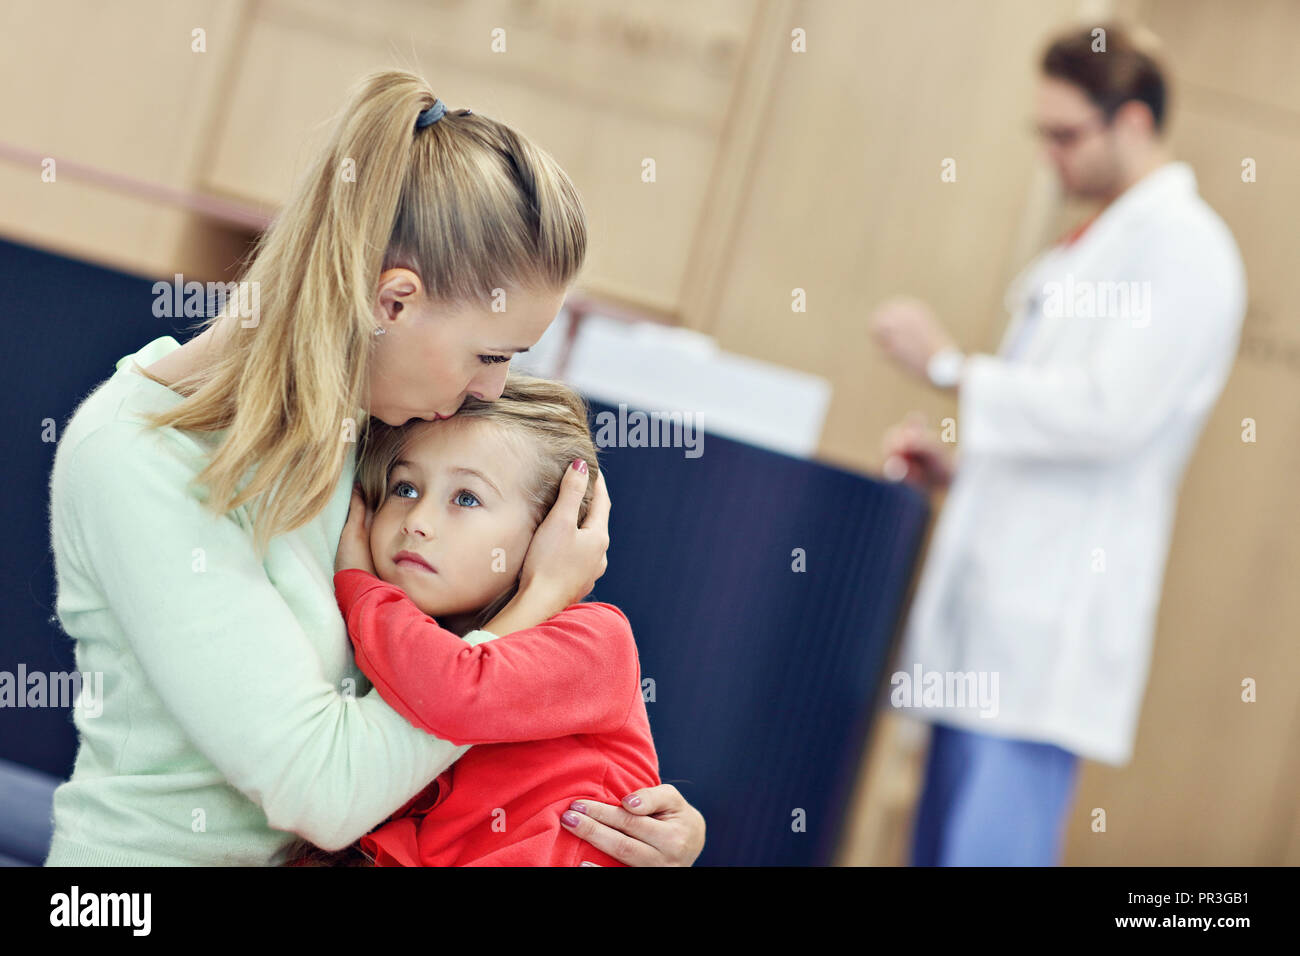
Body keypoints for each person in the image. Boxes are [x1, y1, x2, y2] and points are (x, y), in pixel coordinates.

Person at [45, 69, 704, 866]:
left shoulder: (375, 430)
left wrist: (630, 808)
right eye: (489, 354)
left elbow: (459, 714)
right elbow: (324, 788)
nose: (488, 391)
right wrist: (537, 601)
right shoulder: (134, 456)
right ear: (391, 303)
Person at [870, 24, 1245, 865]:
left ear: (1135, 122)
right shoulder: (1100, 243)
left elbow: (1111, 414)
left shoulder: (1187, 250)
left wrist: (948, 366)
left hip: (1047, 637)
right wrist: (963, 472)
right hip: (993, 618)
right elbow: (1061, 430)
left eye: (1067, 135)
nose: (1051, 157)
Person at [287, 372, 660, 866]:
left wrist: (358, 584)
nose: (417, 520)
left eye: (466, 498)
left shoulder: (596, 639)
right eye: (404, 487)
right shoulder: (399, 651)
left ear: (549, 532)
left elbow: (458, 689)